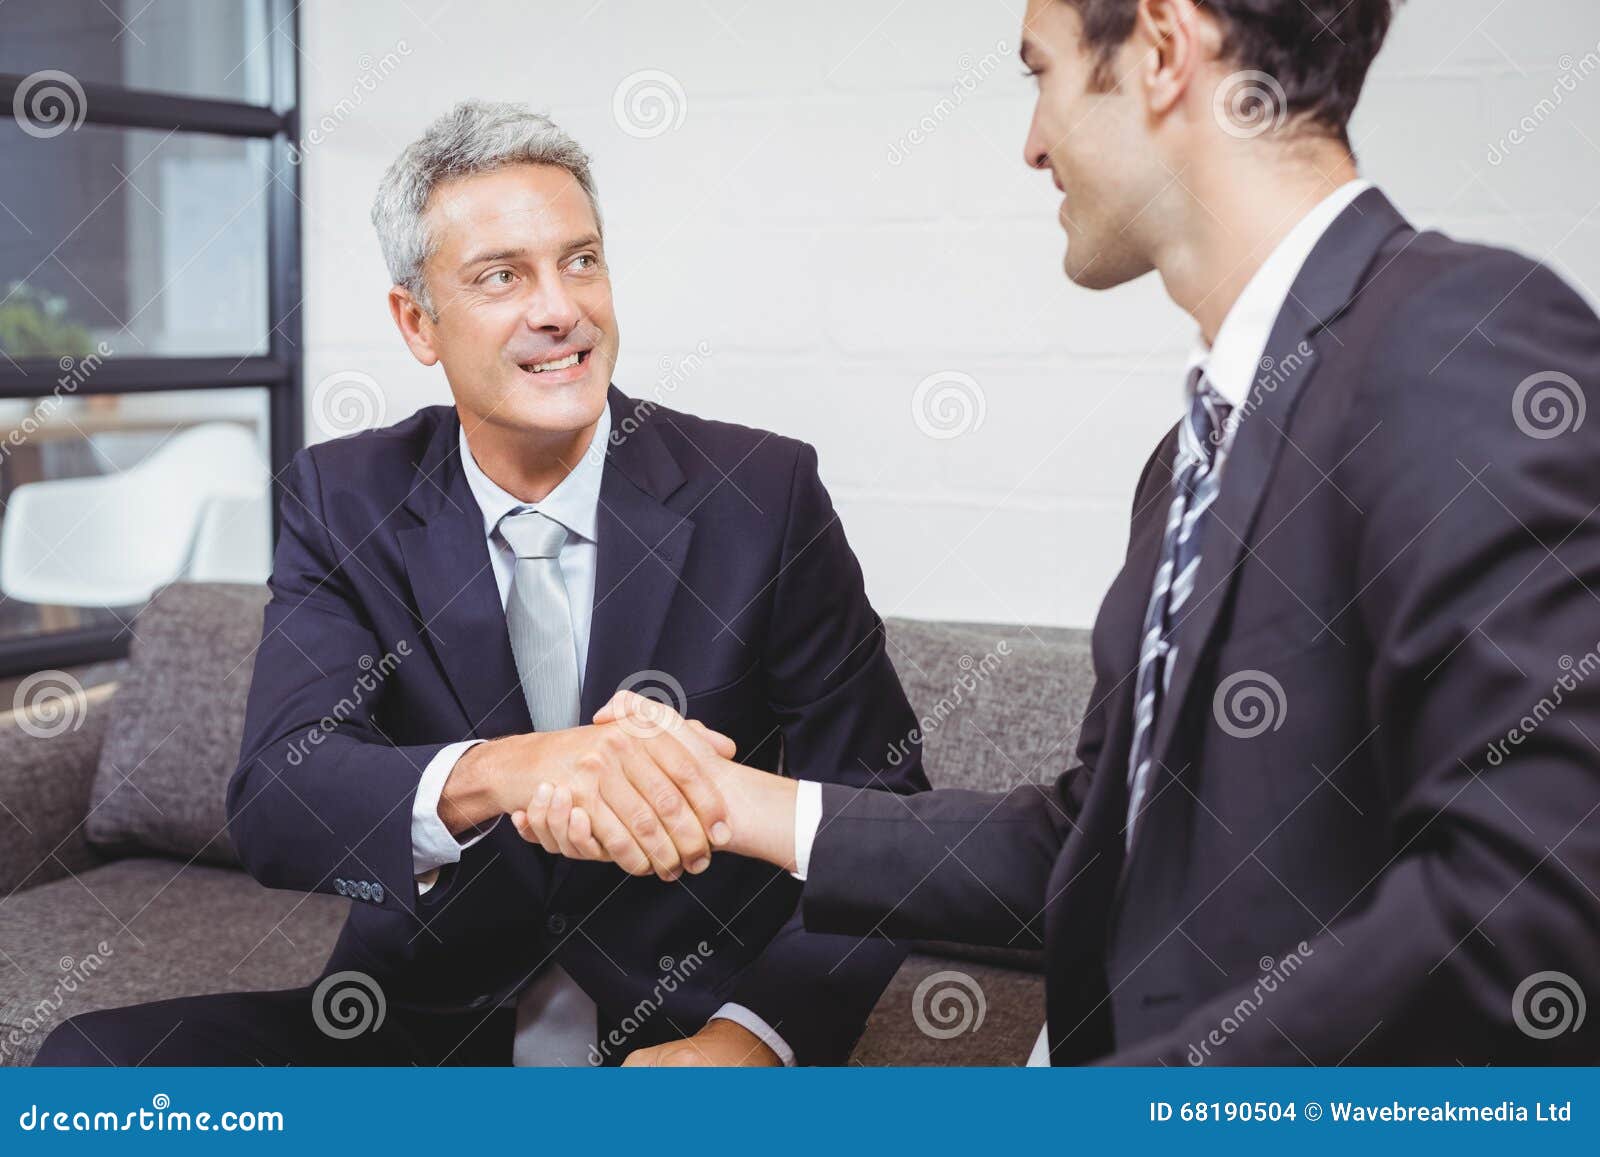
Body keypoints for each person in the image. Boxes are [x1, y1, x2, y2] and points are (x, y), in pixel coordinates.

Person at [525, 0, 1600, 1064]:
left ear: (1164, 49)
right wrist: (731, 801)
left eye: (1038, 72)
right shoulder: (1190, 457)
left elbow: (1534, 899)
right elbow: (1097, 843)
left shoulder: (1464, 341)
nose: (1031, 142)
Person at [34, 100, 927, 1069]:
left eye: (580, 260)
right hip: (416, 1034)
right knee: (96, 1065)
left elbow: (886, 810)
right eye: (503, 275)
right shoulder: (344, 498)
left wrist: (751, 1040)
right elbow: (282, 794)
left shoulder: (762, 493)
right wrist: (513, 766)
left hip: (686, 1034)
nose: (561, 307)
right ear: (417, 321)